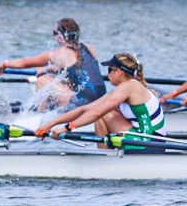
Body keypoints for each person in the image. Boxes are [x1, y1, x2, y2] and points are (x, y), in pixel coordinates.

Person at [36, 53, 164, 149]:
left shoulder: (130, 86)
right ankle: (106, 155)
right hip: (144, 139)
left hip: (149, 142)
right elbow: (84, 109)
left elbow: (97, 112)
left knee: (105, 114)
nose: (108, 75)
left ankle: (104, 159)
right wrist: (50, 124)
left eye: (109, 70)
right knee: (101, 113)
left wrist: (67, 128)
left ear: (118, 72)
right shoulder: (125, 88)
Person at [0, 18, 106, 110]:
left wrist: (4, 65)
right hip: (101, 99)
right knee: (59, 79)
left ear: (61, 35)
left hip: (84, 102)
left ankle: (40, 117)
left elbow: (24, 63)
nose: (54, 37)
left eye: (55, 33)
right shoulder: (89, 48)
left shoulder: (57, 54)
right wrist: (53, 68)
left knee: (42, 81)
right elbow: (82, 70)